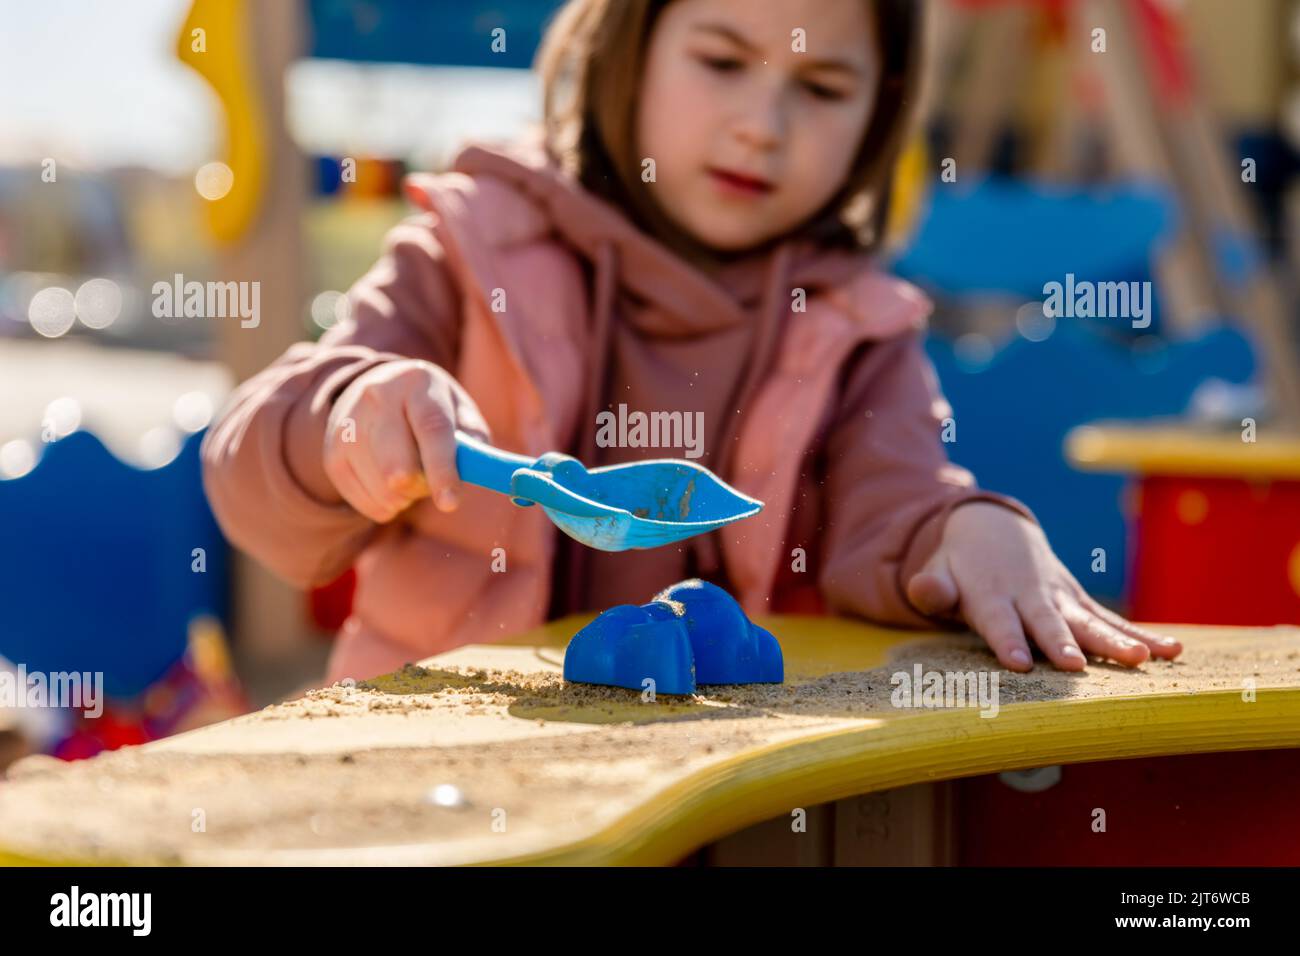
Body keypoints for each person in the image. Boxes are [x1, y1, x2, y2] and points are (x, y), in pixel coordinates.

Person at [202, 0, 1182, 684]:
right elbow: (252, 465)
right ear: (630, 45)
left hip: (726, 803)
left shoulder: (859, 326)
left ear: (878, 117)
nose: (762, 124)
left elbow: (897, 504)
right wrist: (342, 418)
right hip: (443, 797)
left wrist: (966, 530)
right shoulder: (465, 249)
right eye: (720, 62)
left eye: (824, 85)